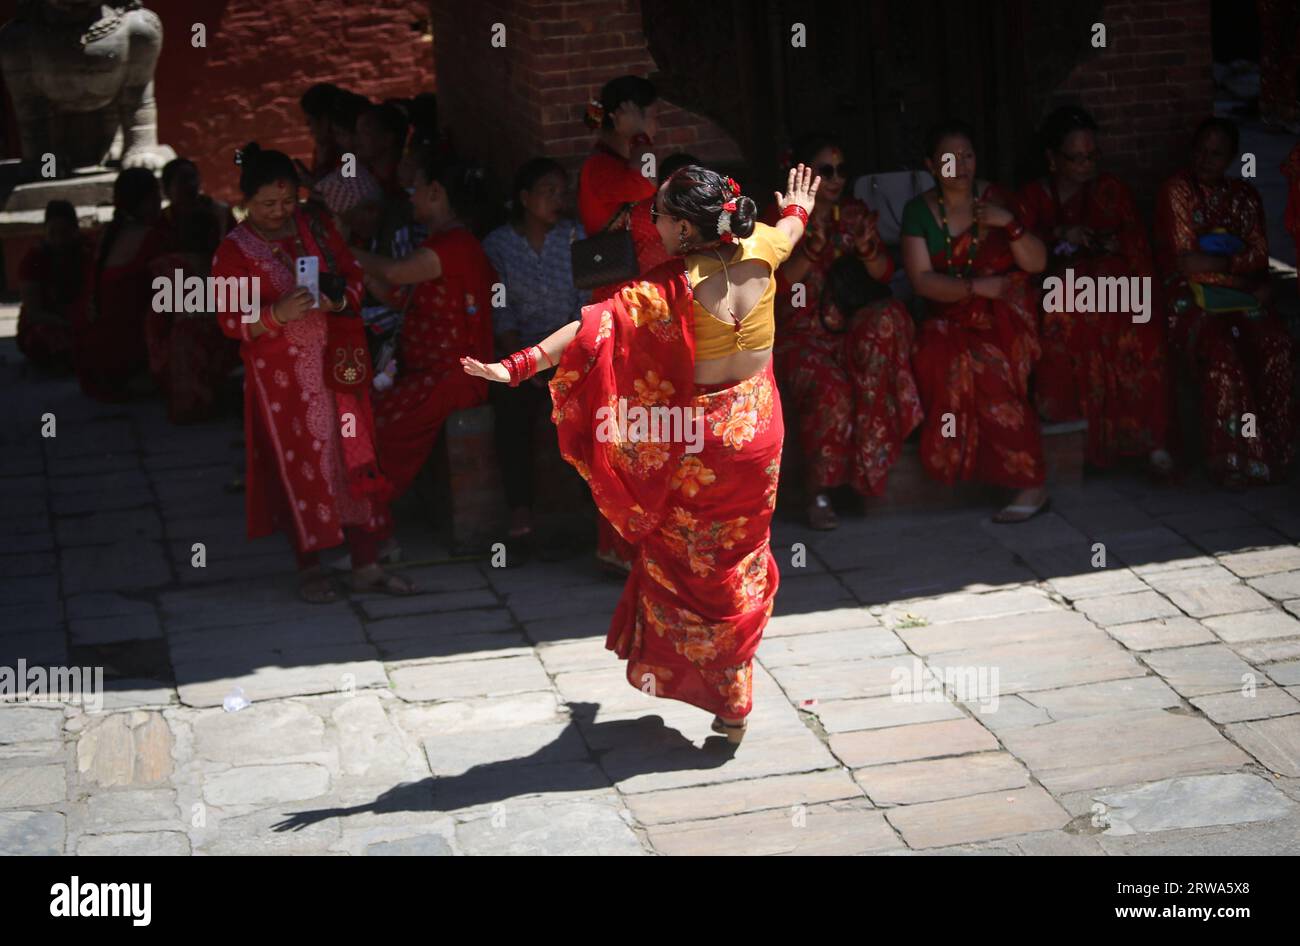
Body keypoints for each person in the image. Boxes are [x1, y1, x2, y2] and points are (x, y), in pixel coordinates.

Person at [464, 163, 818, 744]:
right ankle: (733, 689)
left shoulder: (664, 290)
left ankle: (729, 691)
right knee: (739, 561)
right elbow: (792, 229)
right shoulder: (763, 247)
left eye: (658, 213)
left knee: (688, 568)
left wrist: (513, 366)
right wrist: (801, 207)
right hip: (757, 436)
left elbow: (587, 329)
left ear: (681, 229)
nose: (650, 220)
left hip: (700, 448)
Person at [211, 142, 412, 602]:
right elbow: (227, 321)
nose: (280, 212)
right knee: (304, 466)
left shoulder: (317, 228)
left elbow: (354, 278)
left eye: (287, 202)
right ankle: (310, 569)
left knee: (352, 460)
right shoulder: (234, 251)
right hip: (284, 381)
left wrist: (336, 300)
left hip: (338, 367)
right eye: (267, 204)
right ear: (245, 203)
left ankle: (366, 563)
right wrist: (276, 314)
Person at [901, 120, 1050, 522]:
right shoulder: (919, 212)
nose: (960, 165)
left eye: (967, 155)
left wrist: (1010, 225)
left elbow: (1036, 263)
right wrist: (977, 288)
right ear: (931, 165)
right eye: (949, 158)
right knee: (943, 359)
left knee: (991, 367)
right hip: (946, 319)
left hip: (1002, 318)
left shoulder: (999, 202)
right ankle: (964, 467)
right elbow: (922, 282)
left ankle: (1029, 484)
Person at [766, 134, 909, 528]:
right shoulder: (780, 217)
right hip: (799, 335)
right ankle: (820, 495)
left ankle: (868, 481)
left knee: (873, 370)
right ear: (804, 173)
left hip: (849, 328)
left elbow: (884, 274)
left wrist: (867, 251)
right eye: (824, 170)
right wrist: (809, 252)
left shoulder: (857, 213)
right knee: (832, 390)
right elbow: (774, 285)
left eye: (841, 170)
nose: (835, 178)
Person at [1019, 106, 1171, 473]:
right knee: (1065, 317)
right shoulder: (1033, 198)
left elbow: (1135, 247)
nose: (1087, 165)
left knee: (1139, 326)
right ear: (1052, 159)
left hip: (1112, 287)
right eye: (1077, 158)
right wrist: (1058, 237)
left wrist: (1143, 292)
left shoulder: (1112, 191)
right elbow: (1020, 252)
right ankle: (1080, 445)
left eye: (1093, 156)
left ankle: (1147, 441)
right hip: (1059, 289)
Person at [1153, 117, 1295, 487]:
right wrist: (1236, 261)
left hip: (1240, 294)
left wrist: (1220, 262)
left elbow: (1259, 256)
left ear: (1232, 158)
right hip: (1187, 298)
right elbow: (1186, 263)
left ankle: (1278, 453)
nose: (1205, 159)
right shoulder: (1178, 190)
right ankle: (1233, 459)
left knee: (1276, 344)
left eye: (1216, 154)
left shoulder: (1245, 197)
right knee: (1222, 353)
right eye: (1200, 150)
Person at [352, 151, 496, 507]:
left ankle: (370, 513)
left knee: (377, 428)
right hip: (429, 374)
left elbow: (396, 274)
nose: (410, 196)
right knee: (365, 415)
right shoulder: (437, 244)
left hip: (454, 378)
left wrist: (344, 252)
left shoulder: (456, 245)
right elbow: (398, 295)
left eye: (415, 188)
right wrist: (364, 272)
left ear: (435, 192)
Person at [576, 75, 663, 571]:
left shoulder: (619, 162)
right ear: (625, 111)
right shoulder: (602, 169)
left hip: (646, 309)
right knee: (628, 427)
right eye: (650, 114)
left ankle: (641, 543)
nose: (656, 123)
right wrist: (642, 141)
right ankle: (622, 546)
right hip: (621, 309)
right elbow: (652, 186)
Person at [482, 157, 588, 547]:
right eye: (548, 191)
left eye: (562, 192)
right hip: (522, 352)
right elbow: (501, 308)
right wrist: (524, 362)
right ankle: (520, 513)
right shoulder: (499, 245)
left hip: (572, 349)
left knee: (587, 414)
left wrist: (564, 359)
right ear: (525, 198)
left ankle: (592, 510)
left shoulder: (575, 235)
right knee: (511, 413)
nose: (557, 199)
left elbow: (584, 303)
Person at [147, 159, 240, 422]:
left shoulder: (221, 215)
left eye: (192, 178)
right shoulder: (161, 224)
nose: (189, 186)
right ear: (166, 190)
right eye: (181, 181)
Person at [77, 167, 164, 401]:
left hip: (93, 363)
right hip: (126, 357)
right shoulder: (151, 236)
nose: (160, 203)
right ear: (142, 201)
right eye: (155, 197)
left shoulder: (107, 233)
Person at [16, 200, 87, 373]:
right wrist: (68, 323)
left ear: (75, 231)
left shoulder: (87, 253)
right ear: (45, 231)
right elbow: (34, 313)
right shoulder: (34, 259)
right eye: (53, 233)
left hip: (78, 319)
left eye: (65, 232)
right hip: (47, 324)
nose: (59, 240)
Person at [298, 82, 343, 185]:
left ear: (325, 120)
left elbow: (347, 191)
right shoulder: (322, 150)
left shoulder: (348, 153)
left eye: (310, 120)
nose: (308, 125)